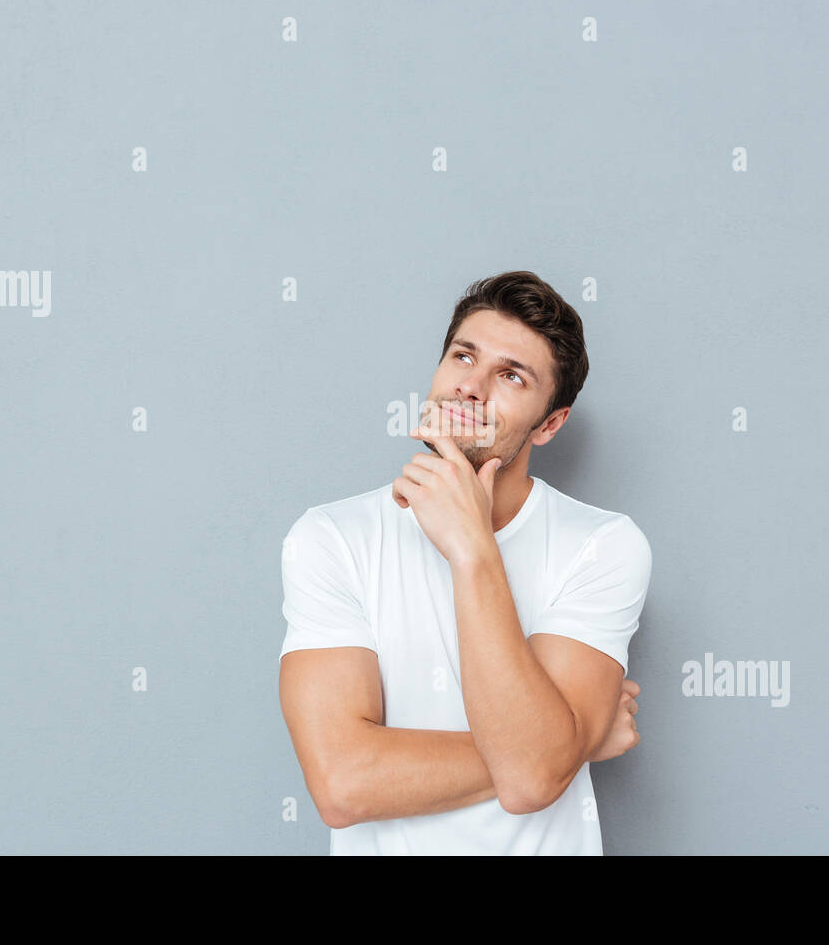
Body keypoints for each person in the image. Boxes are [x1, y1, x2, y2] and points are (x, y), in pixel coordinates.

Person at [278, 270, 653, 854]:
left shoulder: (603, 545)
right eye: (462, 357)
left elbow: (533, 781)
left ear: (550, 423)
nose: (470, 387)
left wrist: (472, 547)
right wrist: (570, 744)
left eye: (510, 375)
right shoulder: (331, 537)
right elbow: (343, 785)